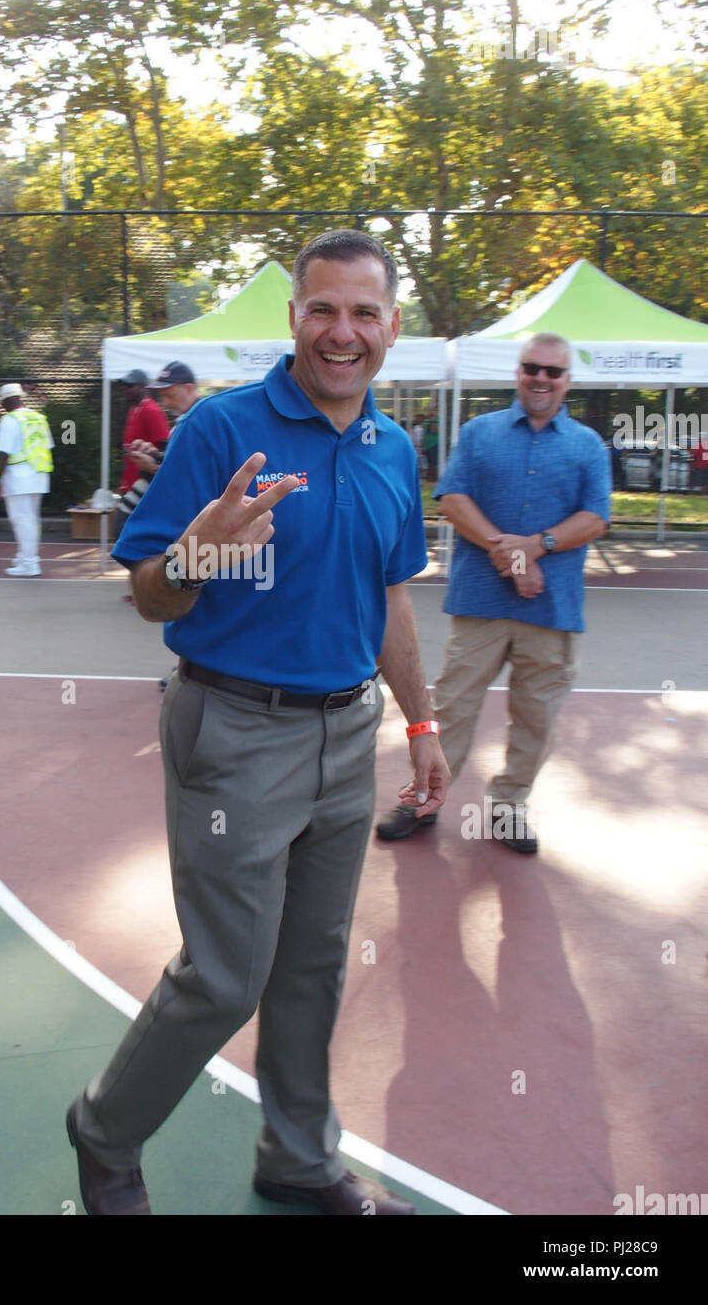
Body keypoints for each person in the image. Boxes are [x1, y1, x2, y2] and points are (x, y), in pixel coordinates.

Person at [66, 229, 450, 1217]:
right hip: (235, 733)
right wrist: (191, 555)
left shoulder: (392, 446)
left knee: (314, 965)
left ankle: (297, 1153)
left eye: (364, 312)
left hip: (345, 735)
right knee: (228, 977)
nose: (342, 331)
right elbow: (152, 597)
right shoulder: (218, 431)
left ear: (392, 327)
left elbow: (391, 599)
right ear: (293, 317)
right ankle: (104, 1131)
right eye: (323, 308)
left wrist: (421, 724)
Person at [376, 332, 611, 854]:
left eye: (553, 371)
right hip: (480, 604)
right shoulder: (480, 433)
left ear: (567, 381)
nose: (541, 379)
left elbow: (596, 518)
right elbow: (451, 499)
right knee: (451, 708)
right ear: (518, 373)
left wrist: (536, 546)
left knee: (537, 718)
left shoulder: (588, 446)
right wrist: (512, 554)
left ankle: (508, 809)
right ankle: (425, 797)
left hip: (552, 610)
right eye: (532, 368)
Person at [0, 383, 55, 577]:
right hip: (39, 473)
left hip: (18, 477)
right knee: (32, 520)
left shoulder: (10, 420)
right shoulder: (38, 418)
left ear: (7, 400)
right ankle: (26, 557)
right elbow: (48, 446)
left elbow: (3, 453)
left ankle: (29, 563)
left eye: (2, 402)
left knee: (22, 521)